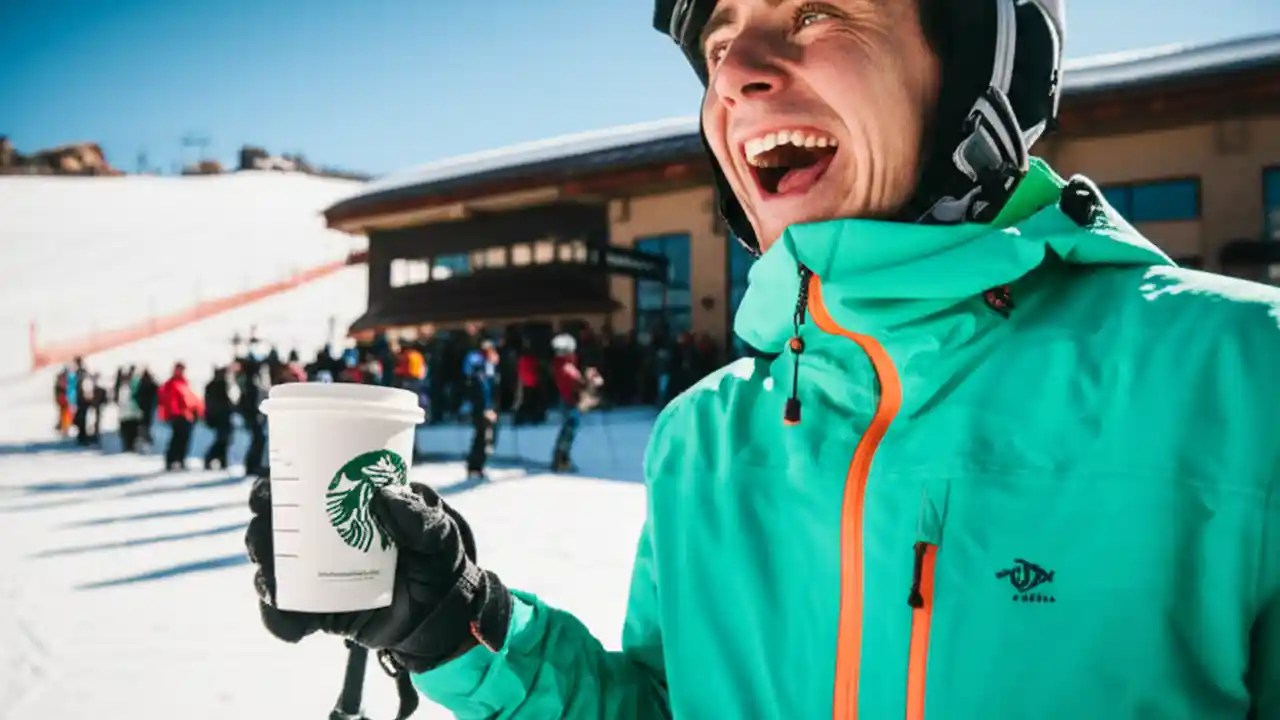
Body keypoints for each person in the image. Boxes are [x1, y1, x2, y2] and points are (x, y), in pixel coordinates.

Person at [245, 1, 1279, 717]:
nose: (737, 74)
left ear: (972, 61)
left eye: (817, 14)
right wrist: (457, 626)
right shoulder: (704, 438)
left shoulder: (1237, 380)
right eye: (719, 47)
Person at [549, 333, 603, 473]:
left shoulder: (562, 365)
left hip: (568, 401)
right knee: (568, 432)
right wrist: (592, 380)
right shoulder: (567, 368)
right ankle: (561, 460)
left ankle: (560, 459)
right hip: (571, 402)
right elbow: (578, 384)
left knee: (567, 431)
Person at [462, 339, 500, 479]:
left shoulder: (485, 368)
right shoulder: (481, 369)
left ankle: (476, 466)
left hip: (483, 406)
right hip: (482, 408)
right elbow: (483, 390)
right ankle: (475, 466)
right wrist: (487, 408)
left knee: (481, 436)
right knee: (482, 437)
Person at [157, 362, 203, 471]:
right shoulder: (171, 384)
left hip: (187, 416)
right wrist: (176, 413)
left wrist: (197, 411)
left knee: (184, 439)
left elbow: (191, 399)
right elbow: (169, 401)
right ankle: (171, 460)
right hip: (177, 416)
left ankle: (180, 459)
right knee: (177, 439)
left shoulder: (184, 383)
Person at [203, 366, 234, 471]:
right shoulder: (216, 385)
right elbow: (212, 404)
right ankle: (211, 458)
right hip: (219, 417)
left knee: (224, 440)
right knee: (222, 440)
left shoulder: (220, 385)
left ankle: (221, 460)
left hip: (222, 417)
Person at [115, 366, 144, 453]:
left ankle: (130, 446)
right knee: (127, 432)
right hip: (126, 415)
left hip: (131, 415)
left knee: (132, 432)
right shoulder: (123, 389)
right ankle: (127, 446)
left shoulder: (132, 388)